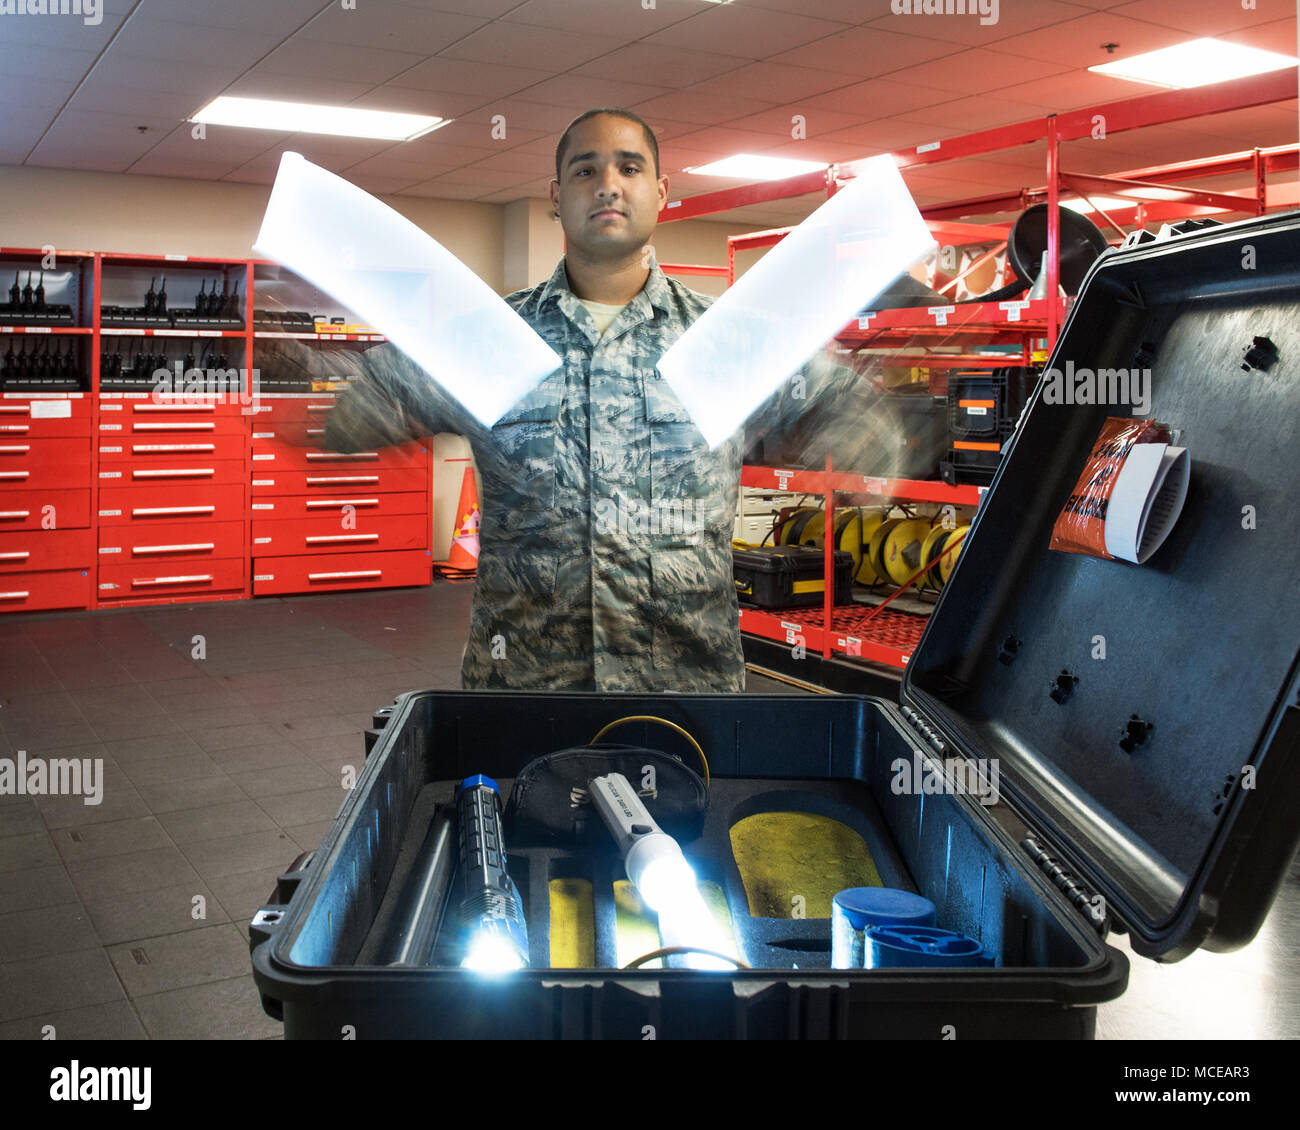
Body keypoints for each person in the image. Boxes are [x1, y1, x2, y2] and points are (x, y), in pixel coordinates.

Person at [267, 107, 870, 693]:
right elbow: (352, 414)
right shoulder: (487, 339)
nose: (608, 186)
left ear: (661, 192)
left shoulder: (731, 341)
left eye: (629, 169)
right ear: (556, 195)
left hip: (686, 695)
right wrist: (288, 343)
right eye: (586, 170)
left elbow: (858, 419)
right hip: (524, 692)